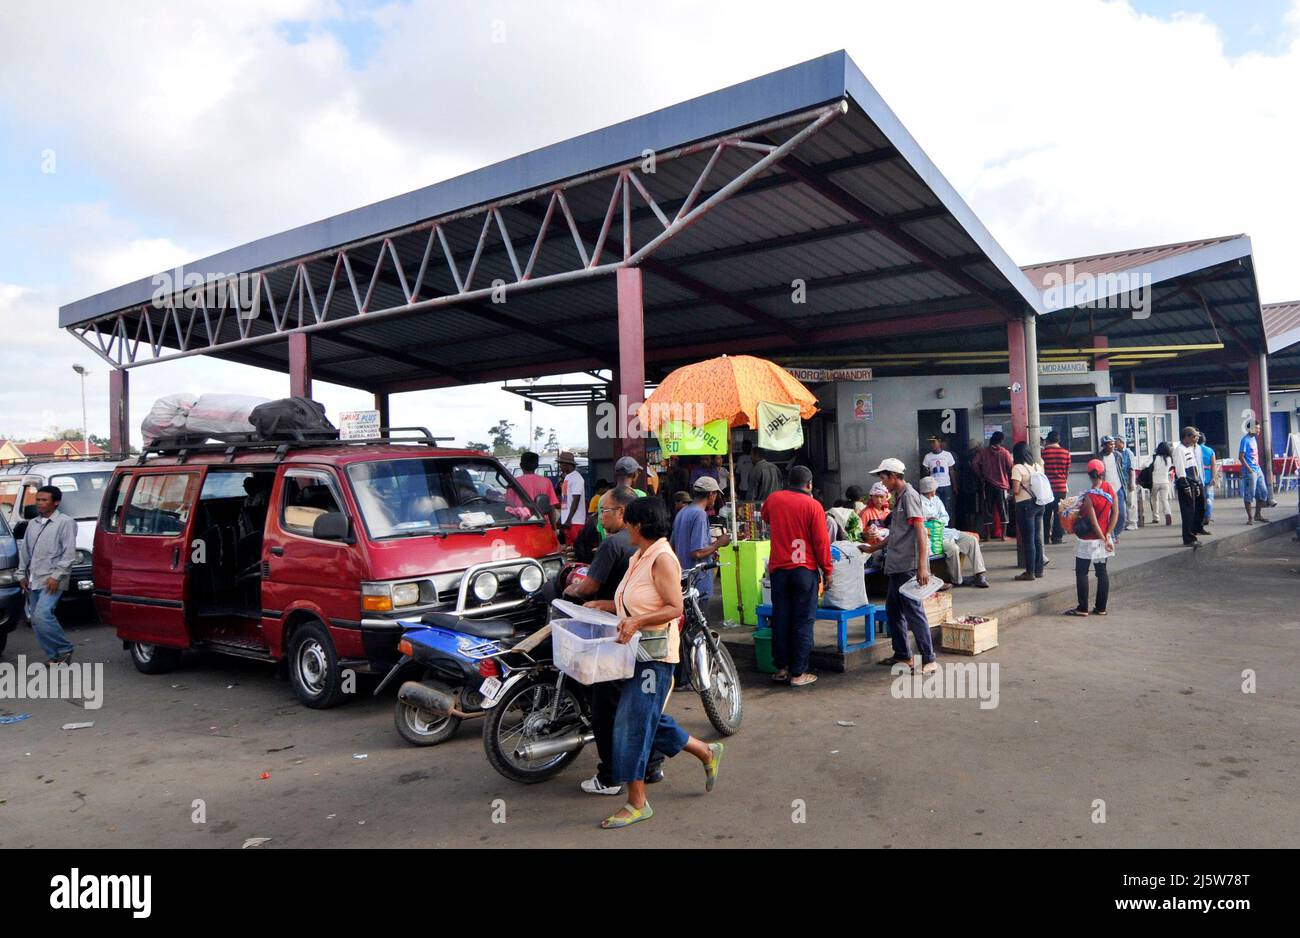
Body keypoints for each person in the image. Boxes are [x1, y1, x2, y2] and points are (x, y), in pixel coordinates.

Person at [586, 496, 723, 828]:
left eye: (628, 523)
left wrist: (635, 622)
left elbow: (674, 607)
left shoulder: (662, 557)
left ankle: (637, 803)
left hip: (655, 657)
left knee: (632, 724)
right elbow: (635, 600)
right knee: (646, 718)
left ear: (638, 525)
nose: (624, 528)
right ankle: (706, 752)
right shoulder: (639, 556)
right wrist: (606, 605)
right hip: (632, 652)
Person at [568, 486, 661, 797]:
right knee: (637, 705)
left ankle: (611, 776)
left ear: (626, 516)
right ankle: (651, 765)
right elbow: (633, 597)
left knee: (607, 707)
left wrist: (579, 594)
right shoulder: (647, 551)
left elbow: (665, 604)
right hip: (640, 639)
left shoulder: (617, 546)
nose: (599, 518)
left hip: (616, 638)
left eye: (604, 511)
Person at [760, 465, 832, 687]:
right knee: (802, 621)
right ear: (809, 484)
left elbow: (766, 518)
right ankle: (798, 674)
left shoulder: (773, 500)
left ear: (787, 481)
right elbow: (821, 542)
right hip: (804, 571)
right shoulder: (814, 506)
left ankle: (781, 669)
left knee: (781, 618)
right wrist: (828, 570)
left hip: (779, 571)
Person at [863, 458, 937, 675]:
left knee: (913, 611)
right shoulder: (899, 498)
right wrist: (872, 548)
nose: (882, 482)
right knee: (893, 611)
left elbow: (920, 532)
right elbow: (897, 534)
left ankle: (929, 658)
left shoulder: (910, 497)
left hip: (908, 565)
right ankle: (903, 656)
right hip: (897, 565)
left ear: (894, 476)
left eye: (883, 477)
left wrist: (923, 567)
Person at [17, 485, 79, 663]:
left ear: (56, 502)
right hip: (34, 578)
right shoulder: (32, 524)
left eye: (44, 500)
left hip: (53, 579)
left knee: (43, 615)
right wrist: (21, 574)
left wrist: (56, 577)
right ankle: (55, 656)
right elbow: (25, 551)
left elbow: (69, 554)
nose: (40, 503)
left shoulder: (65, 522)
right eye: (38, 500)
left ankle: (65, 648)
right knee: (36, 621)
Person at [918, 477, 989, 588]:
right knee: (953, 549)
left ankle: (979, 574)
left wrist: (938, 520)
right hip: (932, 536)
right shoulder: (918, 502)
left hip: (944, 530)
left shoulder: (936, 500)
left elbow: (945, 517)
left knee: (971, 540)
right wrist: (928, 520)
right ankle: (957, 580)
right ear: (930, 489)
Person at [1065, 459, 1114, 617]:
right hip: (1103, 538)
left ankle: (1083, 608)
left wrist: (1102, 538)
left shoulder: (1089, 496)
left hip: (1089, 540)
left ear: (1089, 475)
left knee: (1082, 572)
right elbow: (1116, 512)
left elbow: (1093, 523)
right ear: (1102, 473)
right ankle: (1101, 608)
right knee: (1102, 573)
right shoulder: (1109, 489)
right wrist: (1107, 535)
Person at [669, 476, 730, 599]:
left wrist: (711, 550)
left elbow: (673, 546)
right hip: (697, 582)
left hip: (684, 579)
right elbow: (697, 553)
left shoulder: (683, 511)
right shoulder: (699, 514)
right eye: (716, 494)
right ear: (711, 494)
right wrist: (719, 543)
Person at [1009, 441, 1046, 581]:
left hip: (1025, 506)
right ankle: (1039, 569)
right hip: (1038, 504)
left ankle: (1029, 572)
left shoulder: (1017, 468)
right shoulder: (1037, 466)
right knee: (1037, 538)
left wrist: (1011, 494)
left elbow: (1016, 490)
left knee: (1028, 539)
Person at [973, 431, 1013, 540]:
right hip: (1002, 486)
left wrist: (981, 476)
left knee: (988, 509)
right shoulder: (1005, 452)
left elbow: (975, 463)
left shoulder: (983, 452)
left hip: (987, 484)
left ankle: (988, 536)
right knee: (1003, 508)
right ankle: (1003, 536)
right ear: (1001, 441)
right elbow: (1010, 467)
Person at [1173, 426, 1208, 546]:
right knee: (1188, 511)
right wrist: (1185, 485)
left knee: (1197, 508)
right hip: (1186, 482)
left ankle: (1195, 530)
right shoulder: (1179, 450)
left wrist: (1197, 483)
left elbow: (1194, 466)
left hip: (1193, 481)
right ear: (1186, 437)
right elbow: (1180, 468)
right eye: (1194, 436)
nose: (1196, 438)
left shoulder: (1190, 449)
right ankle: (1188, 538)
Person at [510, 451, 560, 526]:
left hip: (520, 525)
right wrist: (554, 528)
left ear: (521, 465)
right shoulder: (546, 482)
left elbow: (508, 506)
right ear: (537, 466)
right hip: (541, 525)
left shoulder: (513, 483)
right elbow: (551, 507)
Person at [1040, 430, 1071, 545]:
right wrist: (1062, 480)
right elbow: (1067, 472)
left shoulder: (1043, 453)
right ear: (1059, 440)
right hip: (1061, 487)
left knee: (1046, 513)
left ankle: (1045, 538)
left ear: (1048, 440)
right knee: (1059, 513)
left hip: (1046, 488)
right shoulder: (1066, 453)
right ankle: (1057, 538)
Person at [1239, 420, 1271, 524]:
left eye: (1259, 428)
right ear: (1250, 429)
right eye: (1257, 428)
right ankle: (1250, 518)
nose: (1259, 430)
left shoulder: (1254, 439)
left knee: (1263, 492)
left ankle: (1258, 514)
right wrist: (1249, 469)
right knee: (1249, 494)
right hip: (1250, 471)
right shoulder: (1245, 440)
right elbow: (1241, 457)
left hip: (1258, 469)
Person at [921, 435, 958, 520]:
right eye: (930, 442)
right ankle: (936, 527)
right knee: (934, 508)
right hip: (933, 488)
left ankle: (946, 527)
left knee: (947, 508)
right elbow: (925, 472)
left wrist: (955, 485)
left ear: (939, 442)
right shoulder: (928, 457)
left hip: (946, 485)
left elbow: (951, 471)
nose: (932, 444)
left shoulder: (947, 455)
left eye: (934, 442)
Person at [556, 451, 586, 545]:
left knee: (575, 548)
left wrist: (569, 519)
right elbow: (565, 501)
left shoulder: (577, 478)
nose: (559, 466)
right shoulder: (567, 478)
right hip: (568, 521)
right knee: (569, 549)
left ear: (567, 464)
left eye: (560, 463)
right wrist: (562, 518)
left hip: (575, 521)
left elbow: (576, 500)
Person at [1149, 441, 1175, 526]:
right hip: (1165, 482)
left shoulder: (1154, 458)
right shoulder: (1169, 459)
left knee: (1154, 499)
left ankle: (1155, 517)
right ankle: (1168, 514)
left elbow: (1144, 465)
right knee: (1165, 500)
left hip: (1155, 482)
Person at [1115, 436, 1137, 531]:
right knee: (1121, 502)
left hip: (1127, 480)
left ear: (1121, 442)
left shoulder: (1128, 453)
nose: (1114, 443)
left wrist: (1132, 482)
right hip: (1119, 481)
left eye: (1116, 441)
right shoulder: (1115, 453)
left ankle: (1132, 522)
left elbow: (1131, 468)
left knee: (1130, 502)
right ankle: (1124, 522)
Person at [1197, 433, 1217, 525]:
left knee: (1200, 499)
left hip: (1197, 477)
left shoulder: (1194, 450)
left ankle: (1200, 517)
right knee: (1209, 498)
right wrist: (1214, 477)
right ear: (1204, 440)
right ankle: (1208, 516)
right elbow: (1213, 466)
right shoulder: (1210, 451)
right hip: (1208, 477)